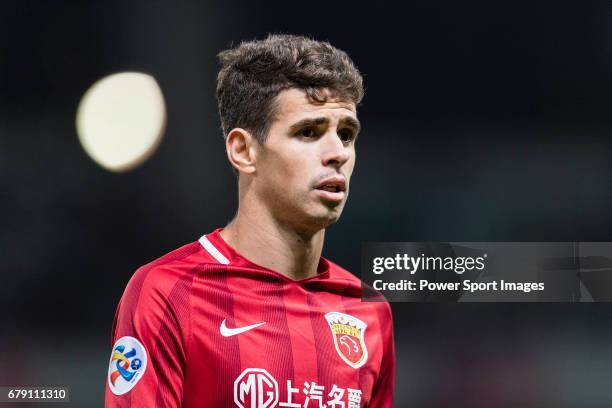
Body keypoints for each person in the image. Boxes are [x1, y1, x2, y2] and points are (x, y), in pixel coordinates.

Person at [105, 34, 395, 408]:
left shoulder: (367, 311)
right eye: (308, 132)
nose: (337, 153)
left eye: (346, 134)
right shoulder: (168, 293)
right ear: (243, 150)